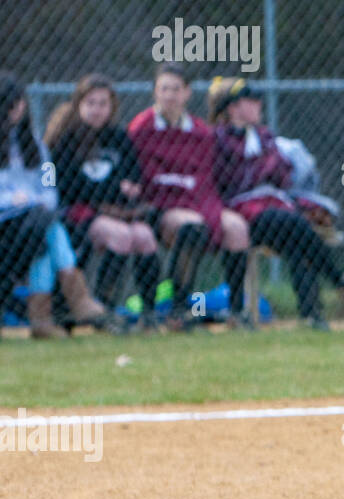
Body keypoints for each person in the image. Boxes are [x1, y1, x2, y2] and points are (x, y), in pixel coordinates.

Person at [208, 76, 344, 331]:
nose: (258, 105)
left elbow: (283, 177)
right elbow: (229, 180)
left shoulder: (263, 136)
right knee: (294, 225)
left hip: (273, 210)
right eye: (250, 101)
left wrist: (267, 169)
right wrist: (261, 169)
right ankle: (338, 279)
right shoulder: (219, 139)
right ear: (233, 108)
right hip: (240, 213)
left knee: (297, 242)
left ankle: (312, 315)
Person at [127, 63, 251, 331]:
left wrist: (207, 209)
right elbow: (144, 178)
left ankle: (237, 312)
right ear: (155, 93)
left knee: (237, 229)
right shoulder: (141, 128)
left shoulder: (199, 131)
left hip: (196, 201)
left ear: (187, 94)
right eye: (163, 89)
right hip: (161, 204)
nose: (169, 96)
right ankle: (178, 311)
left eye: (175, 89)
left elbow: (204, 181)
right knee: (192, 226)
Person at [45, 74, 162, 330]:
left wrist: (131, 186)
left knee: (144, 237)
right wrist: (111, 189)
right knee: (120, 236)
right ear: (79, 105)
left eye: (103, 104)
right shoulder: (64, 140)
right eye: (91, 103)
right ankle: (104, 312)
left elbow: (133, 174)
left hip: (116, 210)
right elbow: (67, 187)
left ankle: (149, 314)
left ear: (112, 108)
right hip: (78, 211)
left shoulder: (119, 138)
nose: (97, 110)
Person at [0, 72, 107, 338]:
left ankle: (42, 321)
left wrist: (36, 200)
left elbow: (49, 186)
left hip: (34, 219)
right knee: (47, 227)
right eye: (12, 104)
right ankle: (75, 298)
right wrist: (11, 199)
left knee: (45, 232)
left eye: (21, 103)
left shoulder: (35, 145)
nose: (19, 110)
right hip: (6, 222)